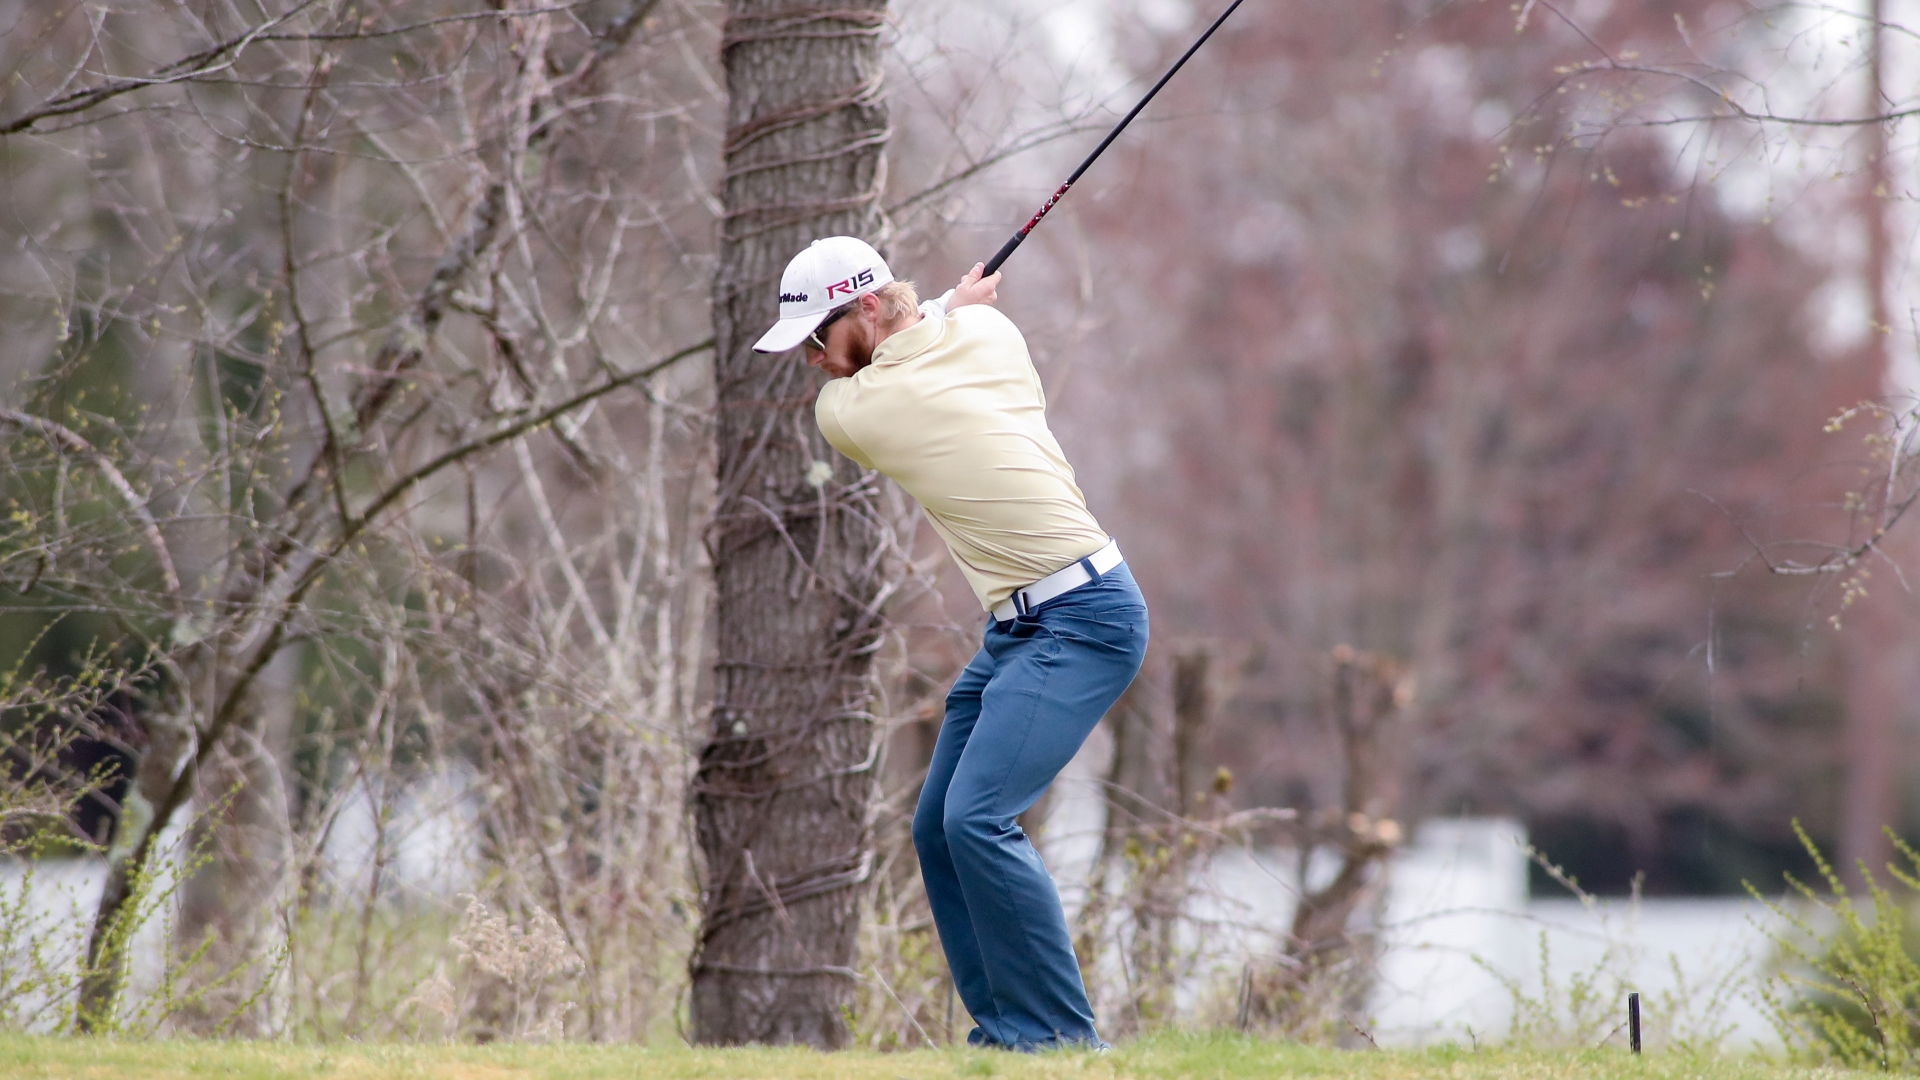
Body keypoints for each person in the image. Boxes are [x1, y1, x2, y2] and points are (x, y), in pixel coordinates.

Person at [753, 236, 1149, 1050]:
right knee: (939, 827)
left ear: (866, 308)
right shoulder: (989, 332)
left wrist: (942, 304)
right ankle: (1006, 1035)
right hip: (1022, 625)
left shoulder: (851, 414)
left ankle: (1062, 1043)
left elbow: (904, 365)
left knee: (978, 820)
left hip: (1085, 619)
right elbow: (928, 337)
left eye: (818, 338)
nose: (815, 363)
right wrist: (944, 309)